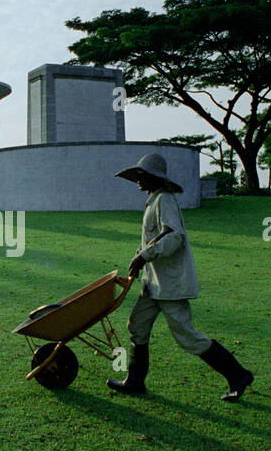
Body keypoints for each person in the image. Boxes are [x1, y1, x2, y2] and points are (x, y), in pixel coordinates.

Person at [107, 152, 254, 402]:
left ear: (155, 177)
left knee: (187, 337)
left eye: (143, 175)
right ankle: (135, 381)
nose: (138, 180)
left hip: (170, 285)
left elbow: (173, 236)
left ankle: (238, 375)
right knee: (137, 326)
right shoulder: (153, 200)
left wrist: (145, 256)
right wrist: (138, 260)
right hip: (152, 284)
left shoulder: (165, 200)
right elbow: (151, 239)